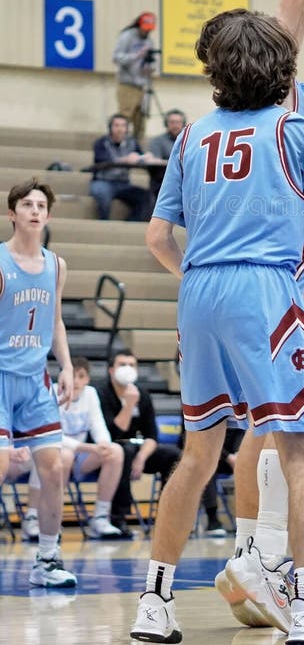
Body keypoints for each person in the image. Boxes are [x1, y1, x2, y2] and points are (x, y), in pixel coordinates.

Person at [130, 10, 304, 645]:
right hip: (265, 291)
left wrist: (199, 279)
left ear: (215, 71)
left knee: (200, 452)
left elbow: (157, 237)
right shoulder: (296, 129)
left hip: (199, 292)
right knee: (299, 450)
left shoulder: (190, 136)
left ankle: (154, 603)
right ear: (280, 69)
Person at [0, 178, 77, 587]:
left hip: (35, 381)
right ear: (12, 214)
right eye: (26, 204)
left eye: (40, 205)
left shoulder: (56, 265)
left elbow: (56, 321)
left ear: (48, 215)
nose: (34, 210)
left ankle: (47, 560)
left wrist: (64, 366)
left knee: (54, 467)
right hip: (0, 377)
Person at [25, 355, 124, 540]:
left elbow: (98, 424)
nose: (76, 381)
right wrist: (87, 447)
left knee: (115, 452)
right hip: (57, 453)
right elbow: (52, 435)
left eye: (81, 376)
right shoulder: (52, 392)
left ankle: (100, 518)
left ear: (87, 379)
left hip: (80, 456)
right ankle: (47, 518)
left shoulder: (91, 394)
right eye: (73, 376)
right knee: (63, 455)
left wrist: (104, 443)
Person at [95, 348, 181, 538]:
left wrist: (142, 457)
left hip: (136, 451)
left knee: (174, 456)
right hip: (107, 452)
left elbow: (152, 435)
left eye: (132, 365)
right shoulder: (101, 392)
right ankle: (119, 517)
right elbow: (112, 433)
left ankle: (167, 515)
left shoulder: (142, 393)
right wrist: (129, 404)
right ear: (111, 370)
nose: (127, 368)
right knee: (123, 451)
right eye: (122, 365)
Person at [89, 113, 152, 221]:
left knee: (146, 197)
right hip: (103, 181)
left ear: (127, 129)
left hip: (123, 183)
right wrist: (126, 159)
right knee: (102, 194)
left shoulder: (132, 142)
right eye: (116, 125)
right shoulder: (101, 143)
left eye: (123, 126)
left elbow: (139, 156)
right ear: (110, 128)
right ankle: (103, 224)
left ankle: (131, 224)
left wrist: (145, 157)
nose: (120, 129)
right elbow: (104, 160)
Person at [112, 11, 159, 140]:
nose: (147, 32)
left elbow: (152, 60)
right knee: (125, 118)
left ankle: (137, 147)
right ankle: (120, 145)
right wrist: (136, 56)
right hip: (127, 85)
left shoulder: (149, 40)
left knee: (141, 120)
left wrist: (150, 68)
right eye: (145, 29)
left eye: (149, 30)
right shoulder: (127, 36)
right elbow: (116, 57)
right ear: (139, 25)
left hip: (142, 85)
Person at [148, 109, 187, 203]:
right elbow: (154, 161)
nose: (175, 125)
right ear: (166, 124)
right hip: (162, 181)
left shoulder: (189, 141)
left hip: (185, 180)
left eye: (178, 122)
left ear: (183, 124)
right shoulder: (157, 141)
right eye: (172, 122)